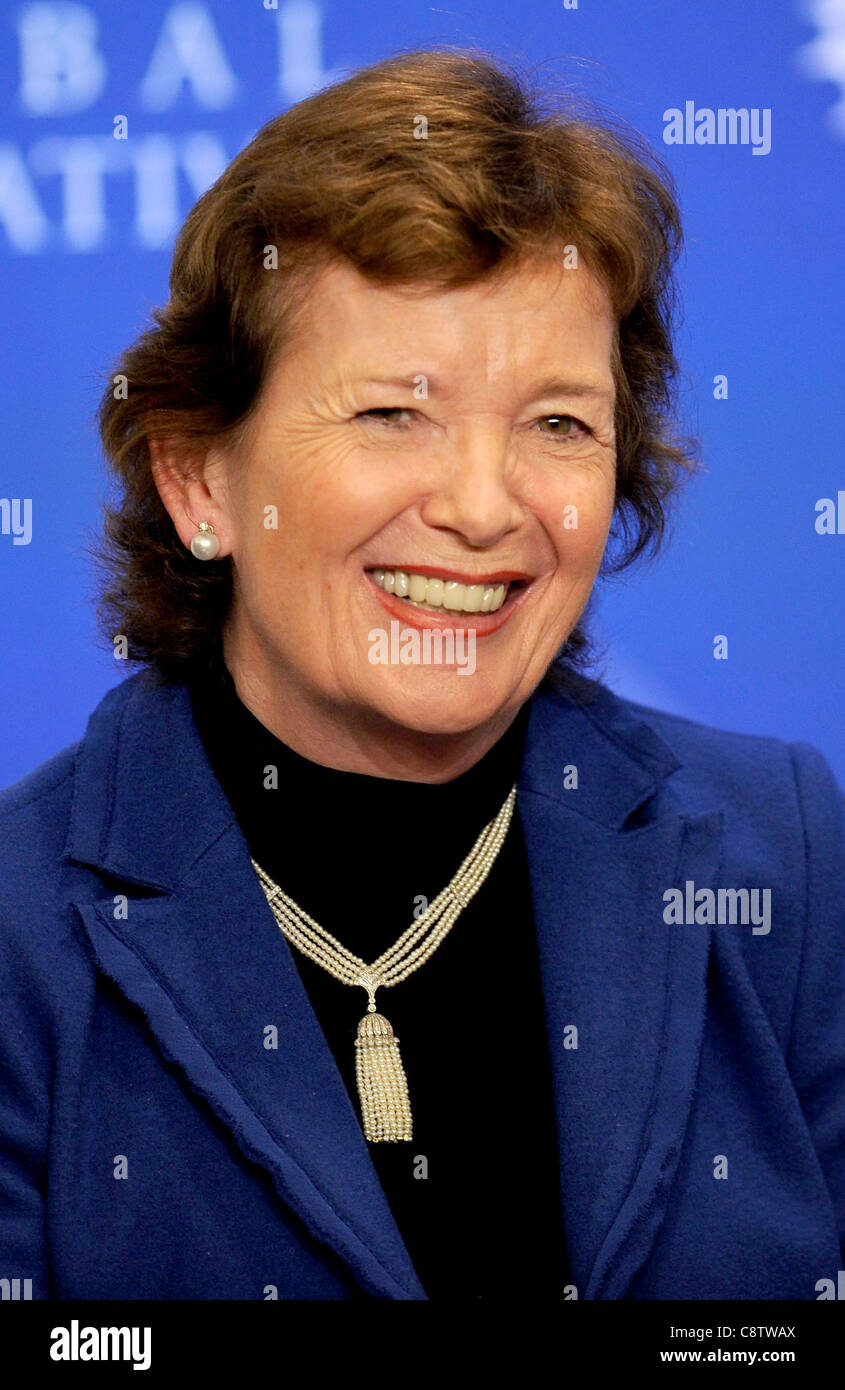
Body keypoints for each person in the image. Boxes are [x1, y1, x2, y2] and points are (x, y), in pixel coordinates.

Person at [0, 47, 842, 1302]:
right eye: (394, 411)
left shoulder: (779, 853)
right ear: (199, 481)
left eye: (557, 423)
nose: (481, 506)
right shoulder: (20, 935)